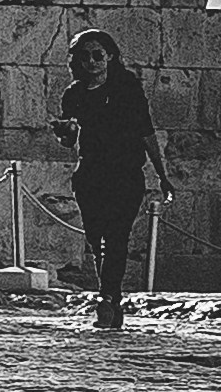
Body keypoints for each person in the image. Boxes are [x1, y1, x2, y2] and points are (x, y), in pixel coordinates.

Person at [62, 27, 171, 332]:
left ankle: (107, 298)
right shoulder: (74, 94)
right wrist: (65, 134)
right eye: (85, 56)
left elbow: (146, 132)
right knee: (97, 239)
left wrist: (162, 175)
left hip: (124, 174)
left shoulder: (127, 89)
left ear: (109, 56)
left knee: (117, 237)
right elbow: (71, 142)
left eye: (98, 54)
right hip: (90, 176)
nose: (92, 61)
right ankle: (112, 296)